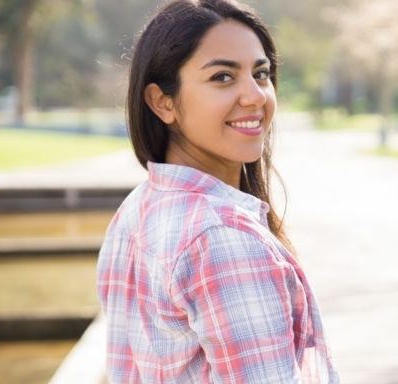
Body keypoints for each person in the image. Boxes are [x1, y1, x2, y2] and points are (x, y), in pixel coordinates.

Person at [96, 0, 340, 382]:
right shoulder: (222, 239)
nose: (256, 95)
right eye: (223, 77)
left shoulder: (138, 209)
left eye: (261, 74)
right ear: (163, 102)